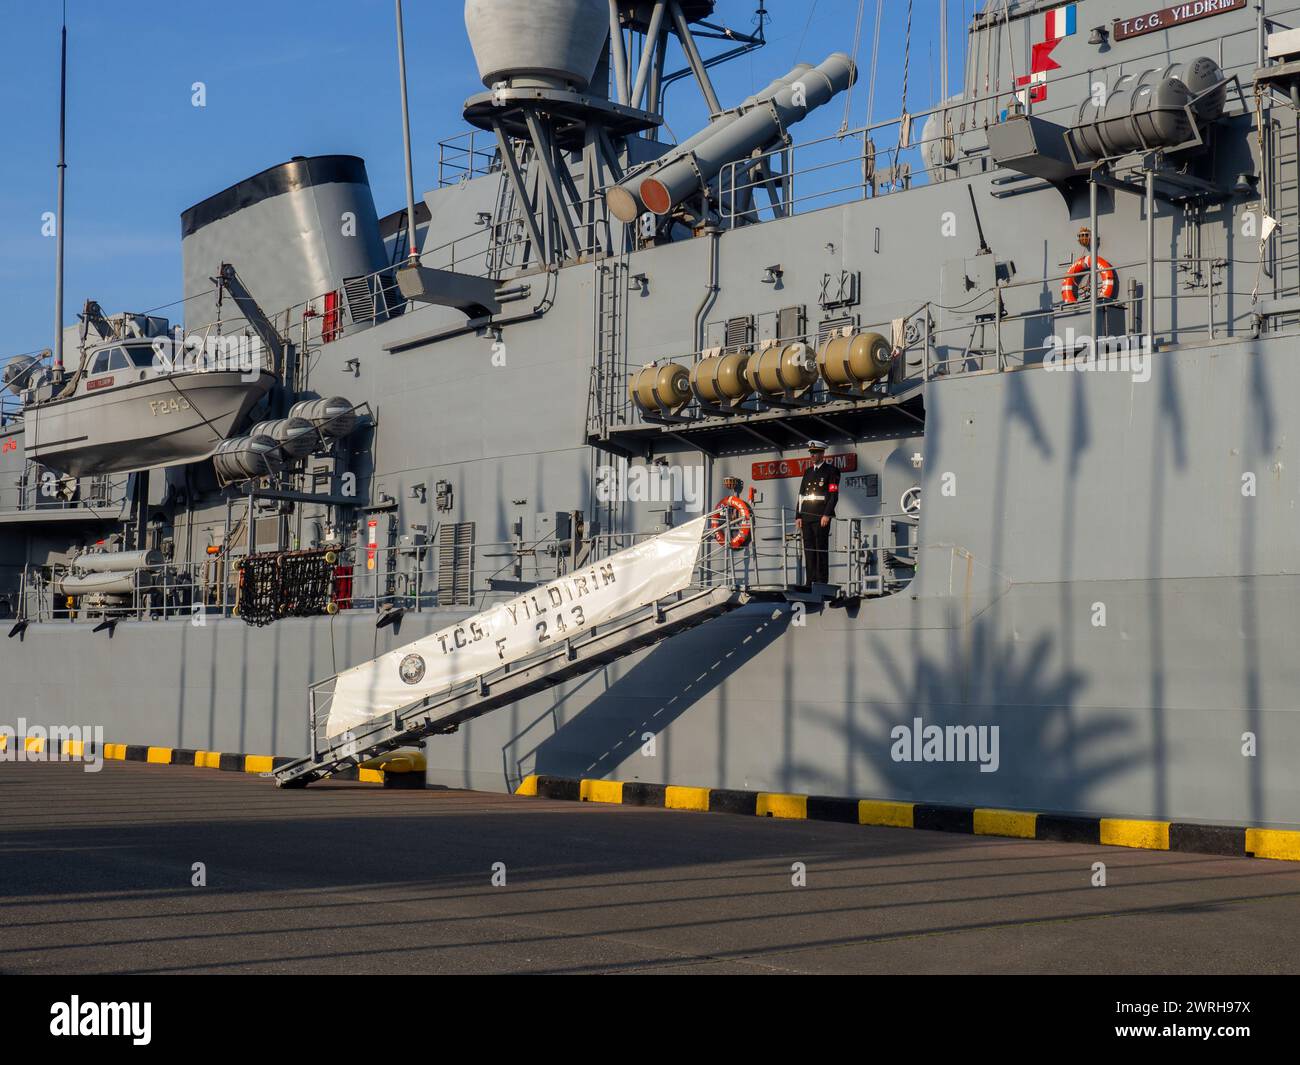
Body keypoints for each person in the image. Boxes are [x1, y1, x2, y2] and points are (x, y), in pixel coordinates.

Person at [795, 440, 839, 588]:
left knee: (820, 548)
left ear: (822, 453)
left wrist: (827, 514)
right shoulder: (808, 472)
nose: (812, 455)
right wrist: (798, 516)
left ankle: (821, 581)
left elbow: (833, 495)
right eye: (811, 453)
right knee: (808, 549)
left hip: (821, 516)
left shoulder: (831, 471)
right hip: (806, 515)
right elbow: (801, 495)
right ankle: (810, 581)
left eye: (815, 453)